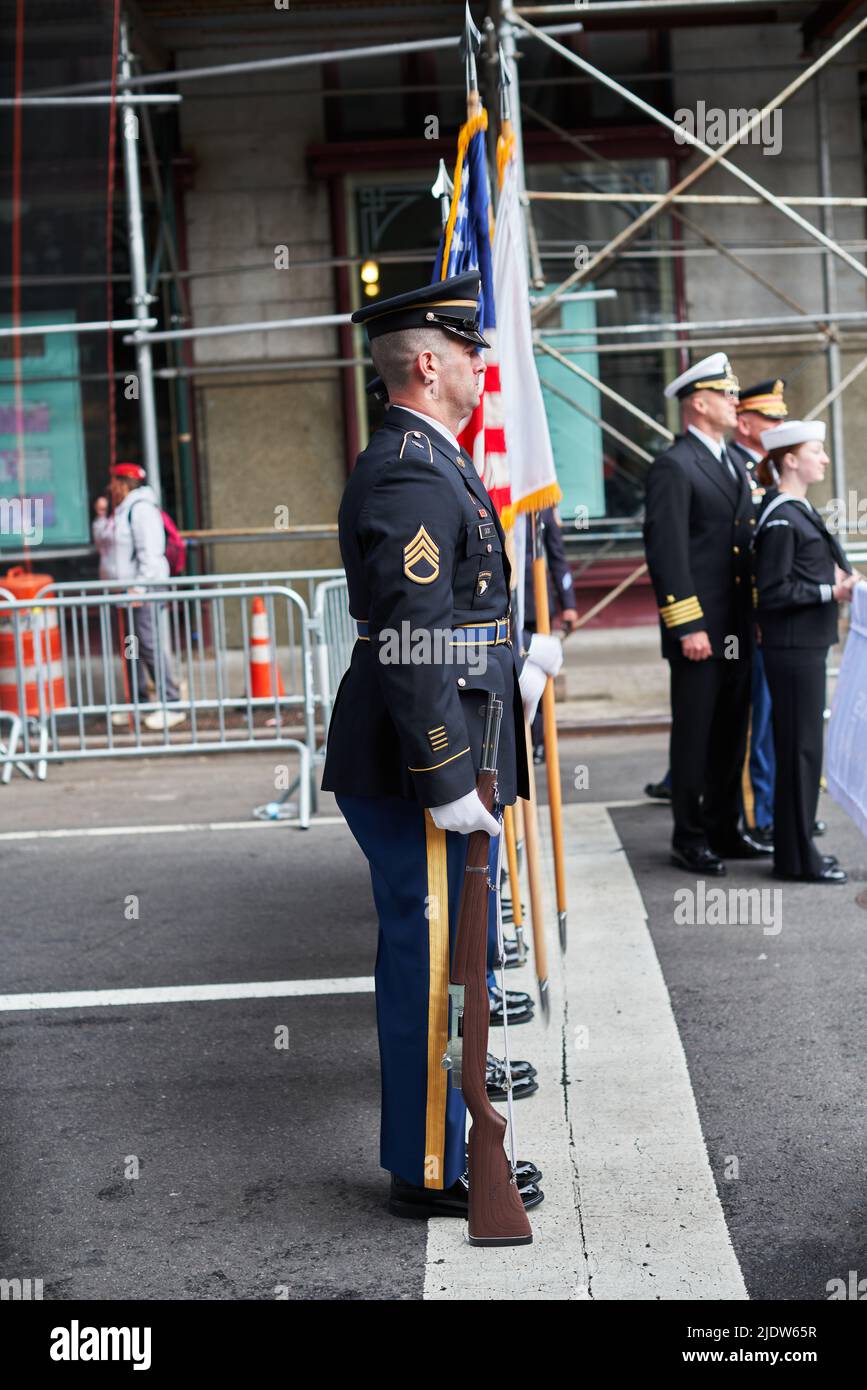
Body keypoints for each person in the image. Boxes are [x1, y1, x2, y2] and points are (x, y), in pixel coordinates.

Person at [321, 271, 558, 1218]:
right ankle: (429, 1168)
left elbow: (451, 621)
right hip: (418, 762)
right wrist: (444, 774)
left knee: (458, 962)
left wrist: (513, 665)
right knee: (430, 969)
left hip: (446, 745)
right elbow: (412, 637)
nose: (481, 363)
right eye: (467, 349)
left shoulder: (430, 457)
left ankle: (456, 1133)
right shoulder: (412, 470)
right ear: (427, 363)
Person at [644, 352, 769, 874]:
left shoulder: (733, 462)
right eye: (725, 394)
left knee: (731, 731)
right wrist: (687, 624)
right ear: (698, 402)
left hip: (737, 626)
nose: (735, 402)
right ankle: (689, 835)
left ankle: (725, 825)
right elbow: (667, 552)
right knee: (695, 734)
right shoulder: (675, 465)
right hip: (699, 627)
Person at [753, 420, 860, 883]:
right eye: (817, 450)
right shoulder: (781, 515)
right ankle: (796, 860)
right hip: (792, 648)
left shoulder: (794, 509)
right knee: (799, 751)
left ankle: (798, 854)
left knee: (803, 750)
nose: (825, 458)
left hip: (804, 646)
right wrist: (829, 592)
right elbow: (772, 591)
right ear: (790, 460)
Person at [728, 378, 790, 846]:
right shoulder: (737, 467)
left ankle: (777, 810)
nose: (778, 426)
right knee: (756, 722)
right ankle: (759, 815)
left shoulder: (764, 472)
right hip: (747, 614)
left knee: (776, 719)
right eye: (770, 419)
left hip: (772, 616)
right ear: (745, 422)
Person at [92, 462, 184, 732]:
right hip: (123, 592)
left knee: (148, 644)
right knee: (131, 647)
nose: (111, 488)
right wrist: (99, 517)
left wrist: (141, 588)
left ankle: (172, 703)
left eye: (115, 482)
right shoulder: (118, 512)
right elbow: (106, 545)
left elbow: (150, 553)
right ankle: (138, 702)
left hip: (142, 590)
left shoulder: (141, 510)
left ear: (124, 484)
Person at [523, 506, 578, 763]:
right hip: (501, 604)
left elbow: (557, 556)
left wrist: (569, 605)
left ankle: (537, 741)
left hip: (535, 606)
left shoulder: (540, 503)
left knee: (540, 673)